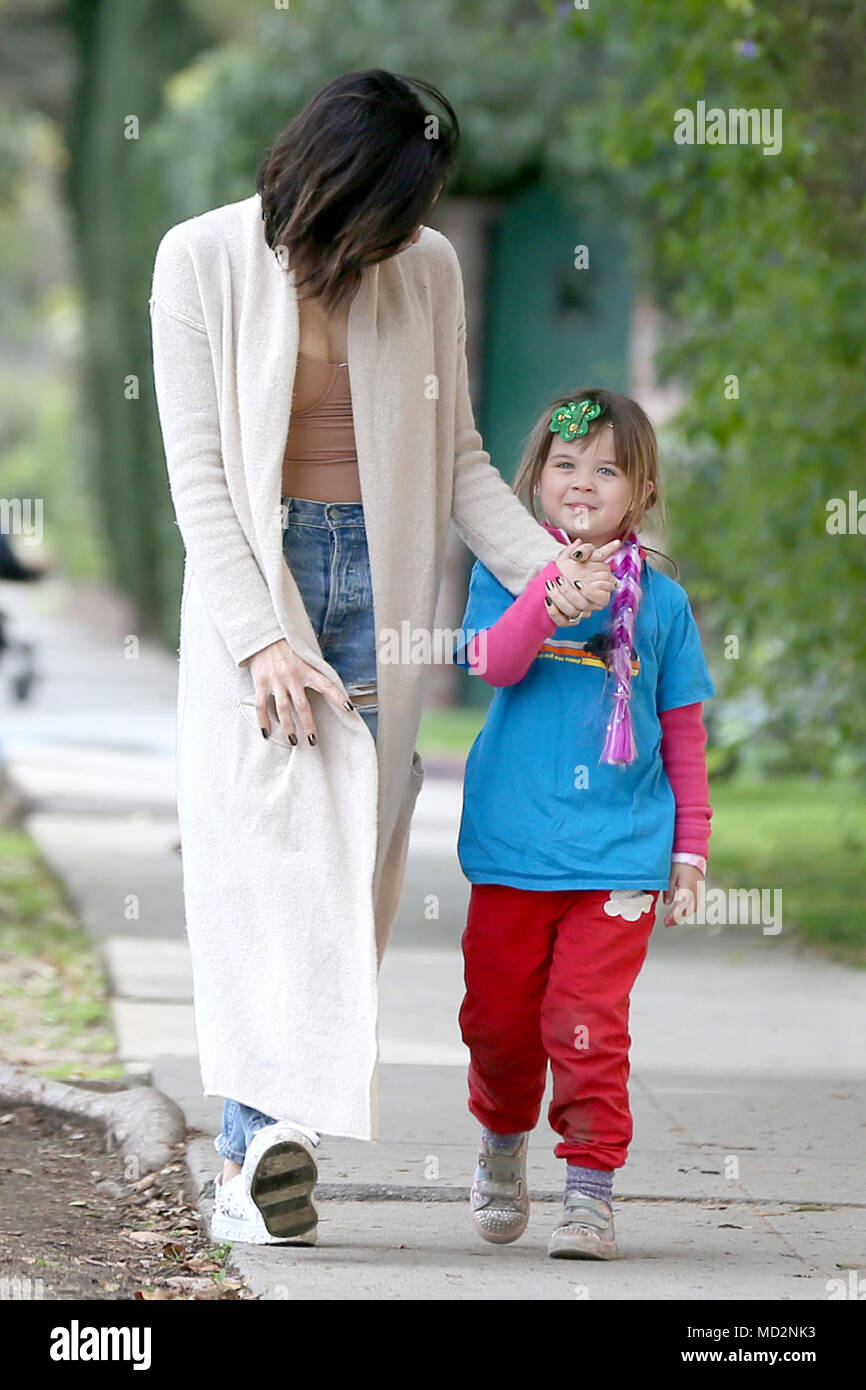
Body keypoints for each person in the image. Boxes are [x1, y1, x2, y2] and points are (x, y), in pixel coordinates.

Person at [149, 70, 618, 1247]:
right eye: (394, 209)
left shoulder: (426, 269)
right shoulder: (199, 260)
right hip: (264, 582)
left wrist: (543, 566)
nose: (408, 234)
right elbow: (200, 477)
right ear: (330, 187)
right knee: (267, 857)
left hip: (386, 580)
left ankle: (273, 1130)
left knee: (352, 850)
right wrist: (259, 637)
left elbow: (458, 456)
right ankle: (256, 1139)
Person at [453, 388, 715, 1259]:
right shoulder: (505, 573)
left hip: (618, 857)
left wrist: (690, 850)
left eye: (607, 470)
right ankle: (500, 1137)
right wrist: (553, 599)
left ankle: (590, 1189)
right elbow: (491, 662)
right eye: (565, 464)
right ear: (534, 481)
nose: (582, 482)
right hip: (514, 850)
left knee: (586, 1021)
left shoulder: (664, 605)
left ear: (638, 494)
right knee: (497, 1021)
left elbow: (682, 730)